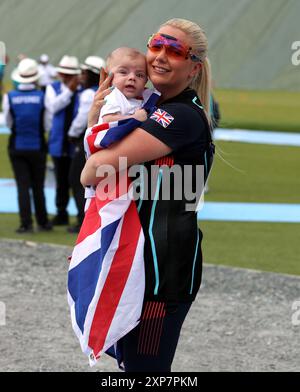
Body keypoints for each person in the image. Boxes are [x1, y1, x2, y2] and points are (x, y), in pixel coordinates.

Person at [80, 18, 214, 372]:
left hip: (161, 272)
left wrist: (101, 128)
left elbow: (92, 172)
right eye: (156, 45)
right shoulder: (151, 108)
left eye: (174, 50)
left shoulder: (179, 115)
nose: (160, 56)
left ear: (193, 66)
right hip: (138, 265)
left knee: (146, 373)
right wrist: (100, 115)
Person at [2, 58, 52, 233]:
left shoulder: (10, 97)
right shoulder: (42, 96)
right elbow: (47, 124)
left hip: (17, 145)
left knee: (22, 186)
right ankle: (43, 222)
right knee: (38, 186)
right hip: (37, 145)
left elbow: (8, 122)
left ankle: (26, 223)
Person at [67, 55, 105, 233]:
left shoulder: (89, 94)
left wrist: (71, 134)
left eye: (83, 72)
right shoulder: (103, 92)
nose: (80, 76)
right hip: (99, 142)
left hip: (87, 140)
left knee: (78, 179)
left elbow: (82, 119)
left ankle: (84, 220)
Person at [45, 55, 82, 226]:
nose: (66, 77)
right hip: (58, 140)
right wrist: (69, 91)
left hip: (76, 142)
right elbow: (53, 107)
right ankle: (61, 212)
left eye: (70, 74)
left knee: (76, 180)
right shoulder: (52, 88)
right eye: (64, 74)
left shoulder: (83, 91)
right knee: (60, 180)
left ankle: (81, 215)